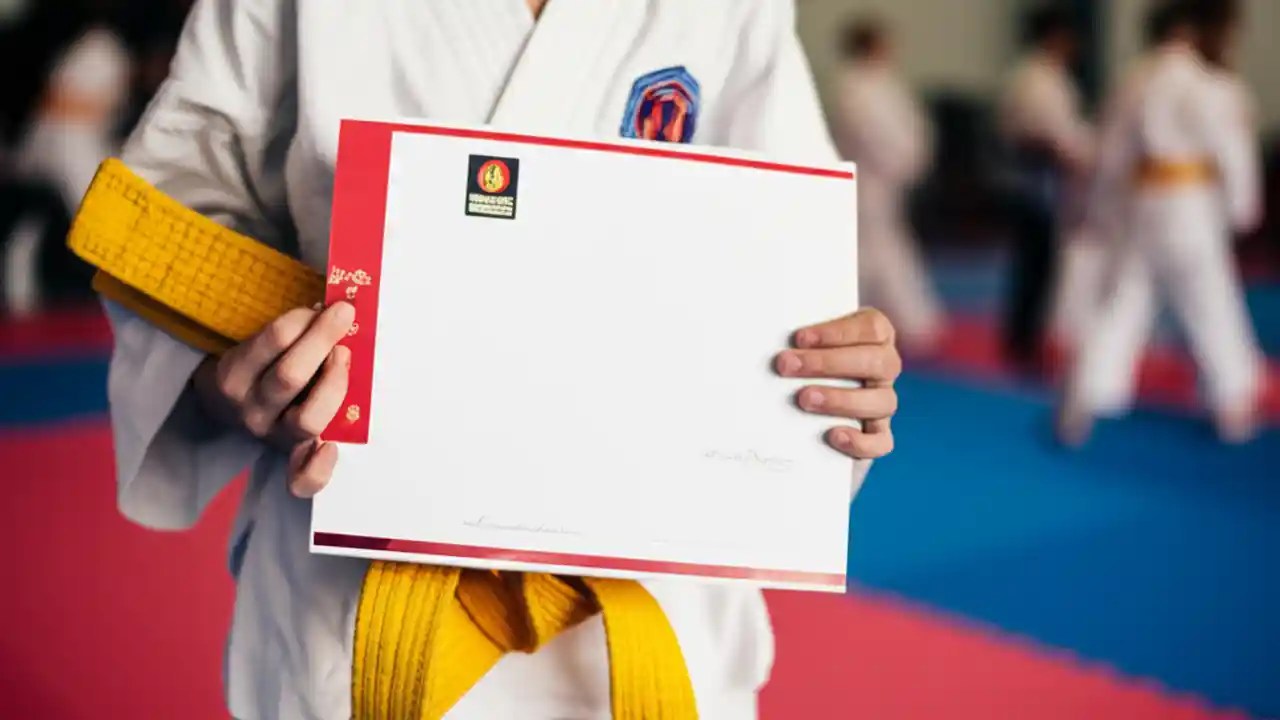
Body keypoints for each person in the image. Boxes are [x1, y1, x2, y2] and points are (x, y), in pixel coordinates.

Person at [100, 1, 903, 718]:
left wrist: (838, 386)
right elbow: (165, 225)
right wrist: (234, 379)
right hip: (357, 612)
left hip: (662, 623)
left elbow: (793, 279)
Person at [1058, 0, 1263, 446]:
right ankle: (1232, 403)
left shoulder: (1135, 81)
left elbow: (1110, 158)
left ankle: (1086, 397)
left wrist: (1100, 210)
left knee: (1122, 305)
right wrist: (1242, 207)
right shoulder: (1210, 84)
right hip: (1191, 206)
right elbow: (1231, 151)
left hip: (1143, 206)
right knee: (1211, 303)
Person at [831, 17, 944, 356]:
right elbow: (872, 136)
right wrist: (902, 161)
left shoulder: (884, 84)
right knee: (875, 251)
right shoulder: (854, 87)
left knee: (881, 249)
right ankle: (909, 322)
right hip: (867, 180)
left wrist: (912, 160)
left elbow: (913, 130)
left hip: (889, 181)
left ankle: (905, 321)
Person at [997, 3, 1094, 370]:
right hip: (1037, 182)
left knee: (1038, 265)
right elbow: (1036, 137)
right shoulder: (1035, 80)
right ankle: (1024, 340)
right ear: (1055, 37)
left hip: (1044, 181)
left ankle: (1027, 337)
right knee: (1036, 265)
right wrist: (1069, 157)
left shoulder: (1042, 76)